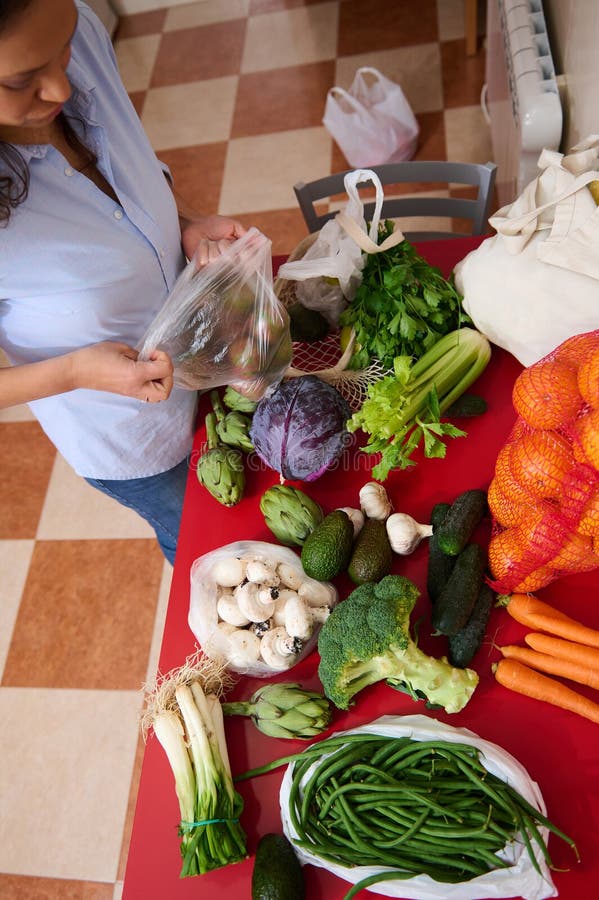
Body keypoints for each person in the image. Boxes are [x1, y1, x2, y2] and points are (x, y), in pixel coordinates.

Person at [0, 0, 247, 564]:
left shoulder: (79, 25)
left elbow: (130, 162)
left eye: (63, 48)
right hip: (134, 435)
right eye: (22, 80)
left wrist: (185, 222)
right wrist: (75, 369)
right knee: (211, 551)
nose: (61, 88)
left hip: (210, 356)